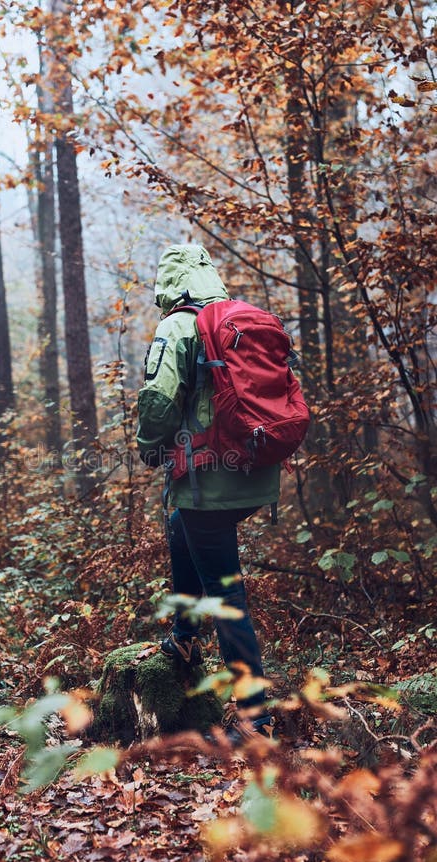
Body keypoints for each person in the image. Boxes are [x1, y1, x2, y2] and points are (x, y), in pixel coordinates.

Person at [136, 243, 278, 738]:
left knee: (225, 592)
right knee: (181, 525)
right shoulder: (241, 318)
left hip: (209, 477)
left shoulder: (178, 325)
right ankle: (184, 637)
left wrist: (149, 444)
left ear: (168, 281)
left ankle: (255, 714)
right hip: (257, 473)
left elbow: (157, 397)